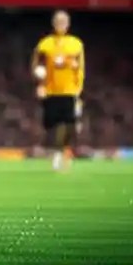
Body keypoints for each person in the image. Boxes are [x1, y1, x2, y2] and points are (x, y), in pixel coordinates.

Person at [32, 10, 84, 171]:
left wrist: (79, 88)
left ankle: (60, 153)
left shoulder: (76, 44)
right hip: (50, 90)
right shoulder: (45, 44)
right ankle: (55, 153)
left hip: (69, 90)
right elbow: (36, 63)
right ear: (53, 24)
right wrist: (39, 84)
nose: (60, 25)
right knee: (51, 125)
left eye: (63, 22)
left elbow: (81, 68)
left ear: (68, 24)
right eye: (58, 22)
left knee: (69, 124)